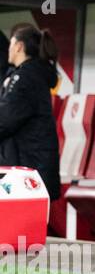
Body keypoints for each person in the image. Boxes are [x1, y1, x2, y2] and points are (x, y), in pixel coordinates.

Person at [0, 23, 61, 202]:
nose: (8, 49)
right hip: (32, 162)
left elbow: (5, 120)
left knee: (24, 226)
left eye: (11, 44)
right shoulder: (30, 74)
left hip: (30, 165)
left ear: (19, 46)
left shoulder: (25, 78)